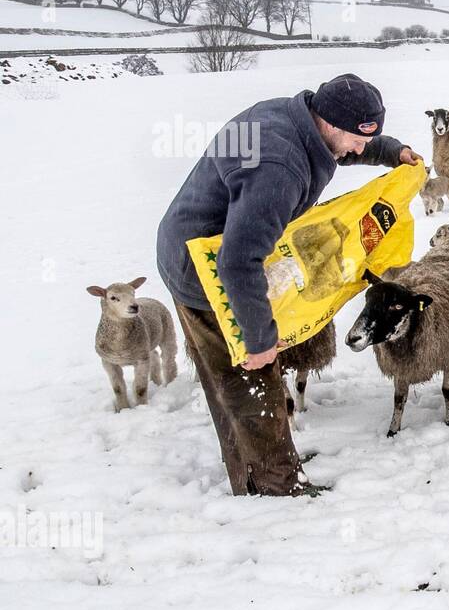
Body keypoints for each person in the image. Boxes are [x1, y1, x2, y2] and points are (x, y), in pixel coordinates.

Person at [156, 74, 422, 496]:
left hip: (204, 247)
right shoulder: (278, 166)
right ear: (331, 124)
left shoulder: (299, 118)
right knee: (253, 380)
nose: (358, 150)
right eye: (356, 138)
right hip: (207, 271)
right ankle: (276, 488)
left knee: (235, 380)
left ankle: (258, 468)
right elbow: (239, 261)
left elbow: (350, 145)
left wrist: (392, 151)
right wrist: (258, 338)